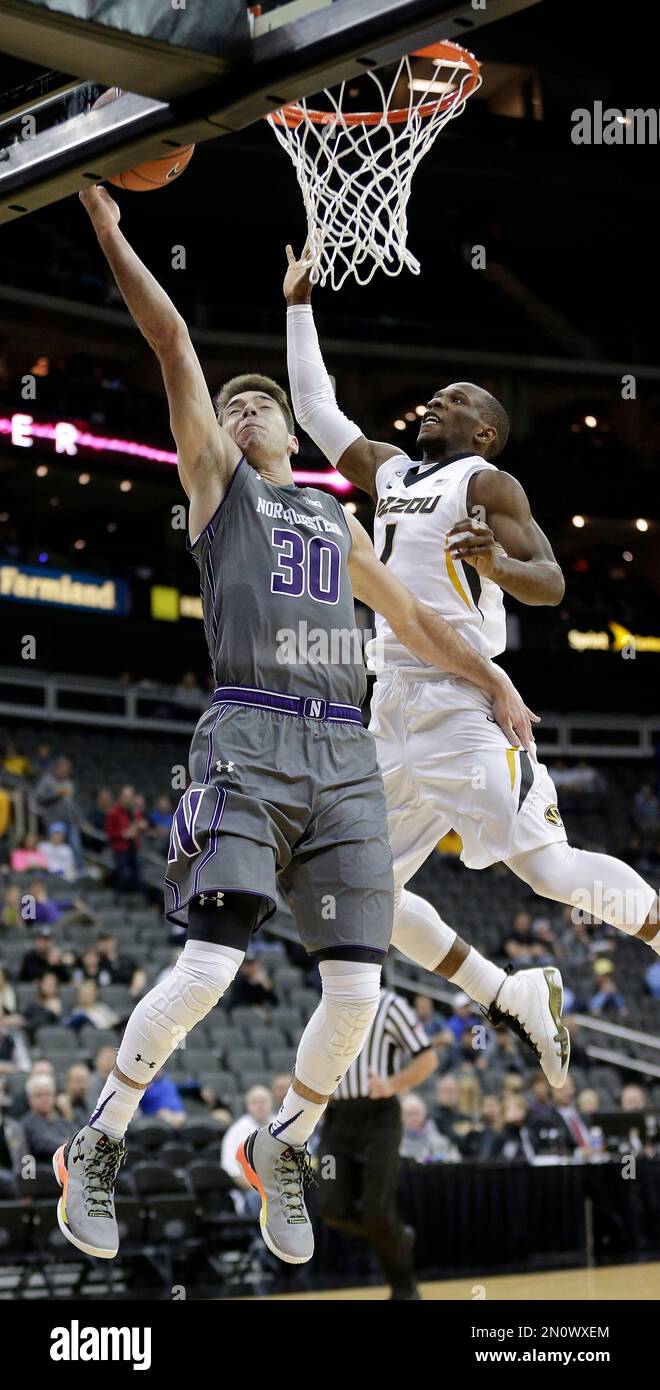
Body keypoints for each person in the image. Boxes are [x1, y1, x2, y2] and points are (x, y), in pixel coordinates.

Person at [53, 182, 540, 1268]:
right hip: (248, 737)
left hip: (343, 752)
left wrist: (494, 683)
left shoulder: (331, 510)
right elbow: (174, 341)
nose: (245, 409)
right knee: (212, 967)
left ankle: (288, 1140)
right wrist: (111, 235)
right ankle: (99, 1138)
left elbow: (412, 614)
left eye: (261, 403)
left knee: (359, 988)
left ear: (287, 427)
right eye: (231, 404)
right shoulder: (218, 487)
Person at [284, 244, 660, 1064]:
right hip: (388, 703)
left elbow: (552, 585)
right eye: (434, 394)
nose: (434, 401)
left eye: (452, 399)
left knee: (550, 871)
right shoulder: (387, 472)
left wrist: (496, 564)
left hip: (464, 697)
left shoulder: (489, 483)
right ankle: (510, 992)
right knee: (356, 893)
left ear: (483, 429)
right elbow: (313, 407)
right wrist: (299, 301)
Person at [317, 986, 438, 1300]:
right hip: (336, 1121)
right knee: (328, 1205)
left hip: (379, 1119)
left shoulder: (391, 1004)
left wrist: (393, 1084)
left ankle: (404, 1288)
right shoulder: (327, 1003)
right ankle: (398, 1236)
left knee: (376, 1210)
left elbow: (427, 1060)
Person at [105, 786, 146, 895]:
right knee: (121, 874)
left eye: (130, 797)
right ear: (120, 797)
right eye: (125, 797)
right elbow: (109, 833)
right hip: (120, 849)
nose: (127, 799)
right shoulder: (113, 811)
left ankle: (135, 899)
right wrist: (123, 834)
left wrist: (141, 825)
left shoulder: (133, 812)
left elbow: (140, 824)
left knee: (137, 875)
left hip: (133, 847)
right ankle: (118, 897)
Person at [21, 1073, 71, 1162]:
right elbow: (42, 1145)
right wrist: (66, 1145)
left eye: (48, 1094)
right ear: (29, 1099)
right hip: (43, 1170)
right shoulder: (27, 1123)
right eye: (39, 1095)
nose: (44, 1099)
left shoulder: (60, 1118)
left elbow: (74, 1136)